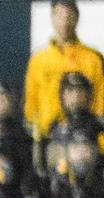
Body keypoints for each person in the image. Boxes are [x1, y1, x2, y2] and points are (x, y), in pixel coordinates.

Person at [27, 0, 104, 140]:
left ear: (77, 17)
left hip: (85, 140)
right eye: (60, 15)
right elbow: (31, 107)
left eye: (69, 15)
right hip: (48, 138)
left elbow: (100, 105)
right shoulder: (38, 60)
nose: (64, 21)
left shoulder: (92, 59)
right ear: (52, 16)